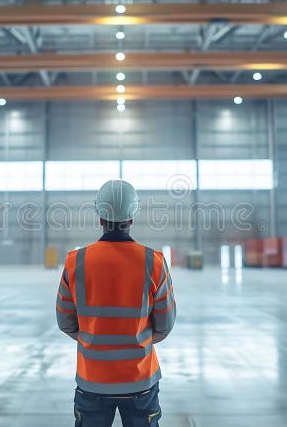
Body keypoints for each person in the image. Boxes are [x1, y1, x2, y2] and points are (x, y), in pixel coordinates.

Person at [56, 180, 176, 427]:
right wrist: (137, 342)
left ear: (100, 217)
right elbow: (165, 324)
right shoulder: (154, 262)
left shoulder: (75, 262)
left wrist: (94, 340)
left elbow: (65, 323)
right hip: (140, 379)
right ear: (132, 217)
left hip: (92, 380)